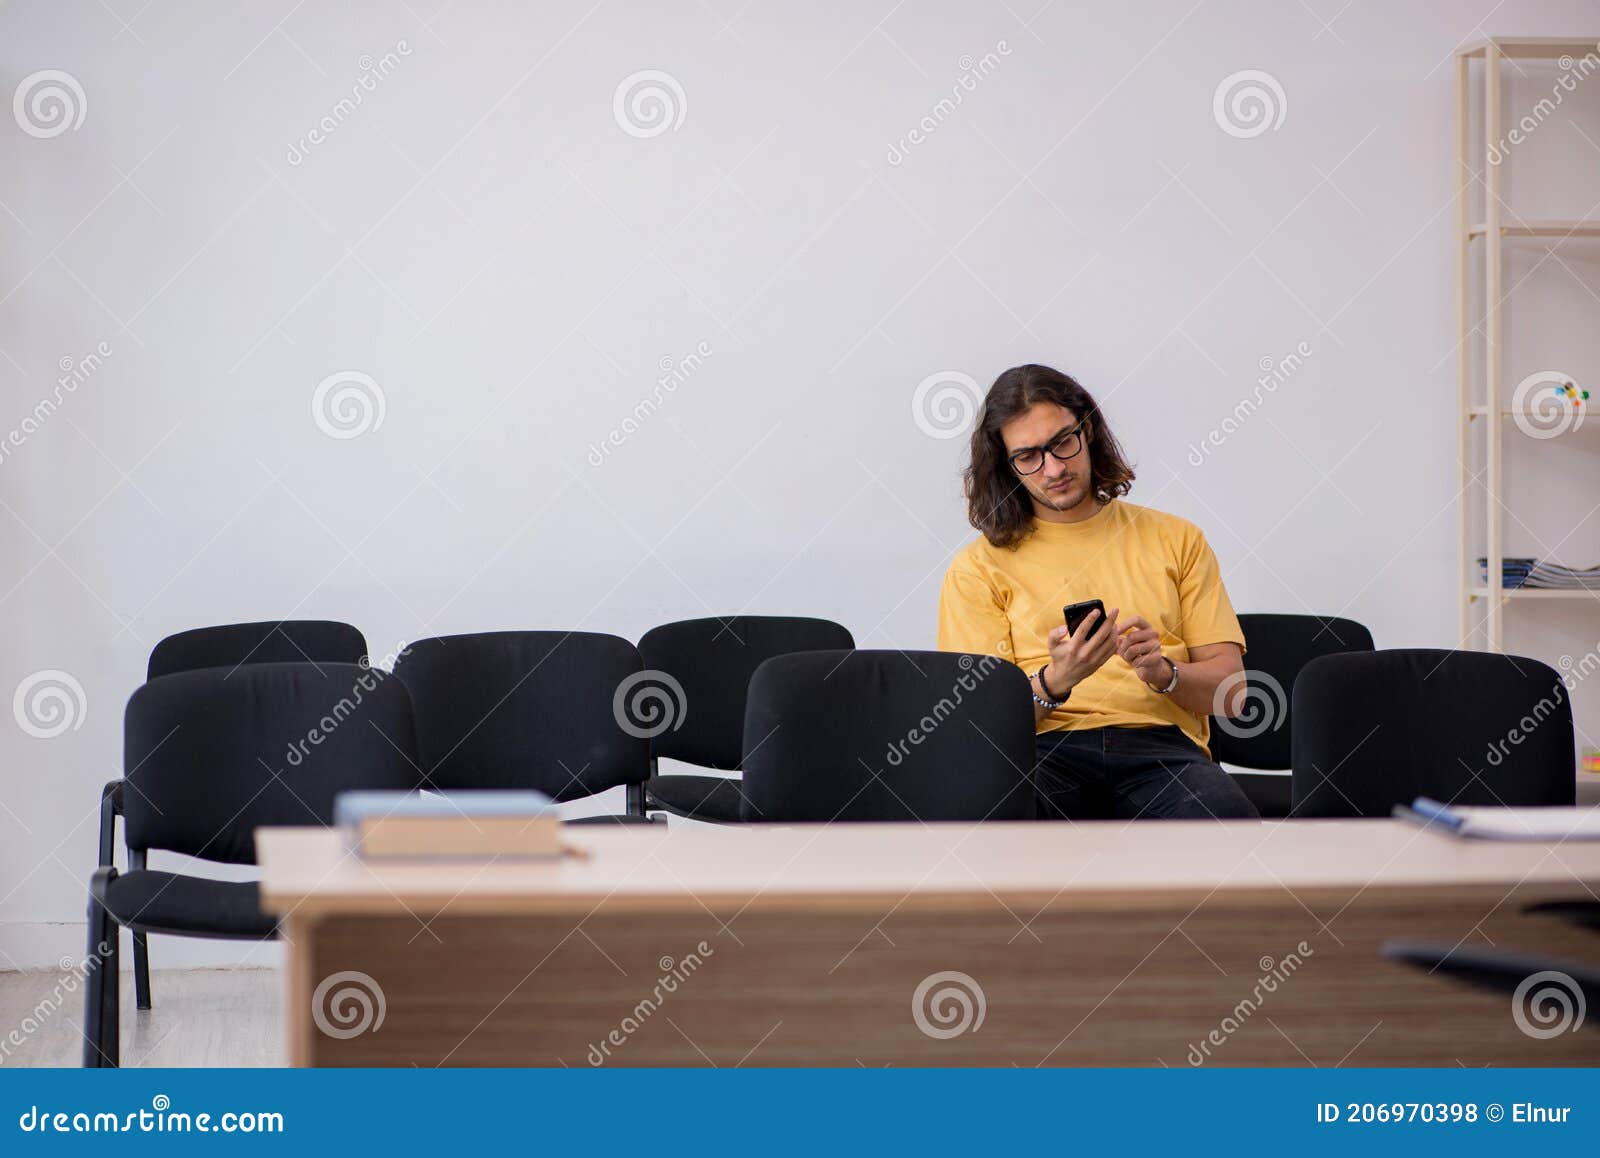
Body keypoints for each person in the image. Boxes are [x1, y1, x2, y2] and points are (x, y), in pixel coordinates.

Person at [936, 364, 1258, 821]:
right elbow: (976, 732)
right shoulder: (976, 568)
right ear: (1006, 466)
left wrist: (1164, 672)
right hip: (1042, 752)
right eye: (1028, 456)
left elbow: (1233, 695)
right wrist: (1056, 682)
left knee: (1229, 825)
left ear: (1088, 430)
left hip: (1160, 751)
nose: (1054, 468)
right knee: (991, 821)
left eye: (1063, 441)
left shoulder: (1177, 539)